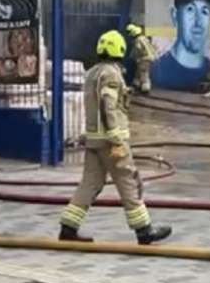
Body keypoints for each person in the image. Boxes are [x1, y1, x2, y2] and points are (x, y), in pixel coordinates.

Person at [58, 30, 172, 245]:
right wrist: (116, 139)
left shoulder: (91, 73)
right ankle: (144, 230)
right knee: (129, 180)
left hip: (94, 140)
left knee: (90, 183)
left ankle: (68, 227)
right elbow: (107, 103)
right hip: (110, 142)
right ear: (119, 49)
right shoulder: (111, 74)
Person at [151, 0, 210, 92]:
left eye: (204, 11)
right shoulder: (157, 71)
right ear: (174, 15)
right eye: (190, 9)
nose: (198, 22)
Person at [125, 23, 155, 94]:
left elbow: (137, 49)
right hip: (149, 57)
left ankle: (145, 88)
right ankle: (136, 85)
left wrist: (133, 57)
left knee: (143, 73)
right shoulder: (144, 38)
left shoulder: (138, 40)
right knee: (138, 72)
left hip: (144, 58)